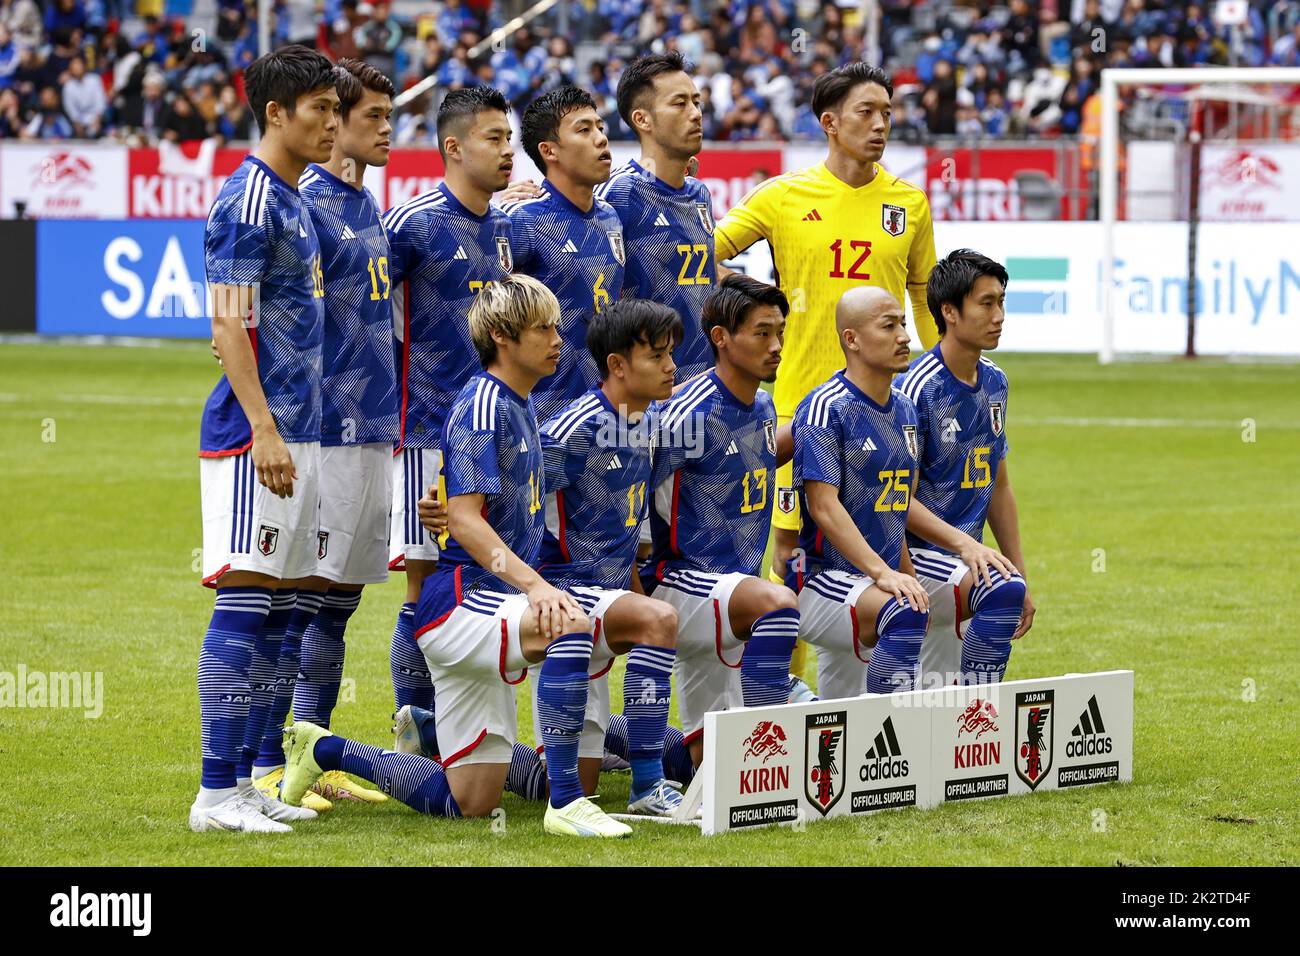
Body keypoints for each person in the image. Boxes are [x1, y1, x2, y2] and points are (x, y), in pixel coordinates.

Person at [282, 275, 633, 838]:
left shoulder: (520, 406)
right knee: (571, 624)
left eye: (556, 326)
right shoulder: (481, 405)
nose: (557, 337)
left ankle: (321, 747)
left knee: (470, 801)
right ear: (501, 335)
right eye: (543, 327)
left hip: (484, 601)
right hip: (460, 603)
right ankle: (567, 803)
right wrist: (536, 586)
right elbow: (468, 519)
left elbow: (473, 513)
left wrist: (464, 522)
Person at [712, 63, 940, 681]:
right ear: (829, 123)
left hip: (883, 409)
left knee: (889, 541)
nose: (881, 125)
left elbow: (921, 292)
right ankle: (779, 694)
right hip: (796, 406)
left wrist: (933, 369)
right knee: (788, 552)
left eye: (888, 114)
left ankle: (866, 691)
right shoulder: (785, 196)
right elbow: (702, 251)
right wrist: (757, 296)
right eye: (867, 112)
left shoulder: (909, 203)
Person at [190, 44, 339, 834]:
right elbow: (227, 323)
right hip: (261, 437)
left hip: (301, 432)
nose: (331, 123)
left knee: (282, 614)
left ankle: (247, 780)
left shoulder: (292, 199)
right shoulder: (248, 200)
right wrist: (264, 428)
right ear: (276, 112)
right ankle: (214, 793)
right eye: (317, 108)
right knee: (246, 606)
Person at [244, 58, 399, 812]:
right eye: (369, 115)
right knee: (299, 600)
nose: (381, 127)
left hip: (375, 423)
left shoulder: (368, 206)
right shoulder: (305, 205)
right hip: (324, 428)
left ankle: (310, 751)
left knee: (336, 605)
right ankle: (269, 761)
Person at [381, 85, 516, 733]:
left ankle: (461, 726)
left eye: (511, 138)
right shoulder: (412, 224)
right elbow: (364, 319)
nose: (507, 150)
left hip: (494, 439)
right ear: (453, 146)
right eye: (494, 139)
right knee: (426, 580)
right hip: (428, 433)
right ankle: (416, 724)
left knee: (484, 580)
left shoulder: (508, 229)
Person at [643, 274, 799, 768]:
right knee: (778, 603)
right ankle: (770, 744)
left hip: (730, 589)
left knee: (708, 764)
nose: (775, 346)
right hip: (680, 582)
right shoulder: (685, 413)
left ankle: (628, 744)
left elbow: (745, 463)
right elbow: (635, 491)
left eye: (779, 333)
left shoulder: (765, 405)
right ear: (721, 338)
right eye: (761, 333)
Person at [787, 286, 931, 699]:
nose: (904, 336)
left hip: (872, 583)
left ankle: (812, 715)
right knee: (904, 614)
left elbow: (895, 510)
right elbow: (823, 507)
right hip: (820, 580)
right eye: (889, 326)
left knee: (841, 714)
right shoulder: (825, 407)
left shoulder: (905, 409)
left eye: (903, 324)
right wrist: (884, 574)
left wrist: (905, 572)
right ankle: (888, 745)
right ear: (851, 339)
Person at [897, 249, 1032, 688]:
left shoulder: (996, 381)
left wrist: (1018, 569)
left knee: (935, 695)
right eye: (986, 303)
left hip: (963, 560)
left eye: (1001, 302)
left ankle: (965, 730)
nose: (1000, 315)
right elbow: (899, 502)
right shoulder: (915, 389)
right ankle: (980, 717)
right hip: (916, 557)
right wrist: (965, 547)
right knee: (1000, 592)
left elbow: (999, 484)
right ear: (949, 312)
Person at [502, 85, 625, 424]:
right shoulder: (520, 220)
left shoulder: (611, 218)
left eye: (600, 127)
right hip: (542, 420)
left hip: (605, 420)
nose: (600, 138)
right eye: (584, 130)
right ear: (549, 151)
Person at [595, 51, 717, 381]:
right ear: (642, 120)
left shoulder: (700, 194)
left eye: (696, 102)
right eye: (679, 104)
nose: (695, 114)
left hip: (701, 391)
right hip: (647, 401)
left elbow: (701, 271)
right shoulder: (619, 195)